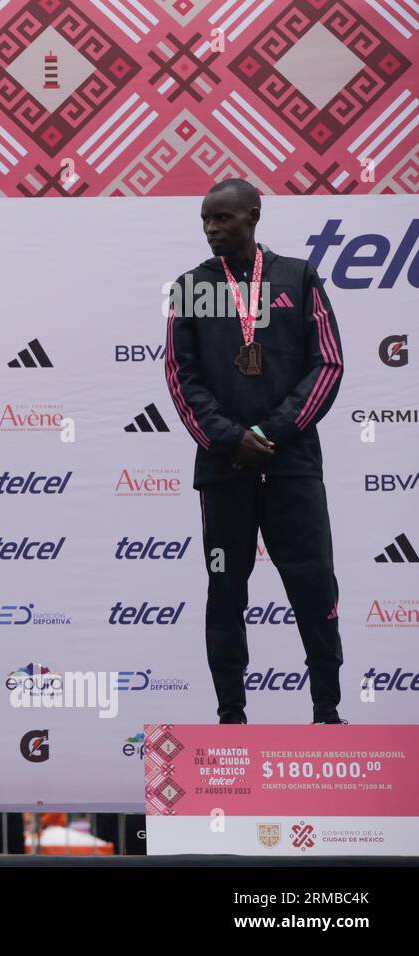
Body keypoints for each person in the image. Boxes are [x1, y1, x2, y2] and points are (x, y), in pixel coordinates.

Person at [164, 178, 345, 725]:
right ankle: (230, 717)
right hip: (224, 473)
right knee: (225, 592)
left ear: (253, 215)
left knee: (314, 587)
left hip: (291, 469)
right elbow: (179, 376)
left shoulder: (299, 277)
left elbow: (328, 364)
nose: (212, 230)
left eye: (222, 219)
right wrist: (228, 438)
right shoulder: (189, 287)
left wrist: (272, 433)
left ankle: (327, 712)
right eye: (205, 221)